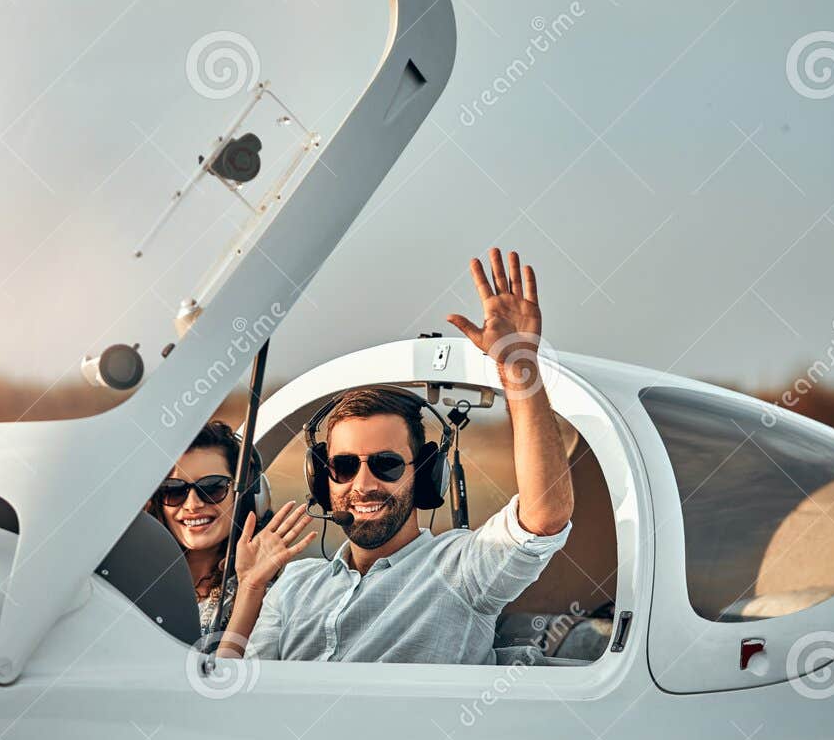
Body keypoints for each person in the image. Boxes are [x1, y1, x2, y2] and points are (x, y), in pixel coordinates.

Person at [243, 249, 574, 665]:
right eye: (344, 467)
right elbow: (242, 691)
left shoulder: (461, 571)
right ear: (321, 478)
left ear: (425, 473)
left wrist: (518, 367)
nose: (362, 485)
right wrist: (250, 588)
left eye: (386, 464)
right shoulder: (294, 583)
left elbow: (544, 517)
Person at [148, 419, 316, 649]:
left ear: (247, 496)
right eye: (174, 490)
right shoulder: (133, 583)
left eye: (212, 487)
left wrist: (250, 589)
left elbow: (223, 679)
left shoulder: (273, 598)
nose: (192, 504)